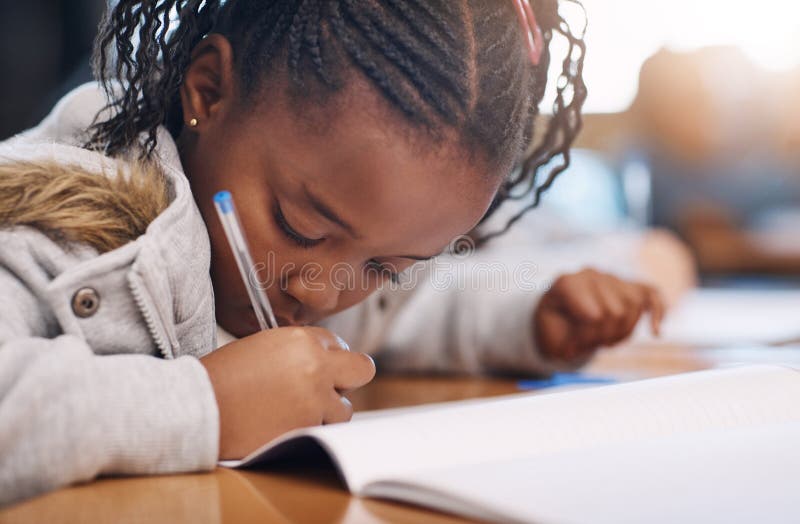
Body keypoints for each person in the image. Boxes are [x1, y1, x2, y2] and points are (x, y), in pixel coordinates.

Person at [0, 0, 661, 505]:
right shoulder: (56, 225)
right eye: (301, 227)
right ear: (208, 92)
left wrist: (531, 316)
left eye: (384, 265)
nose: (325, 292)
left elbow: (412, 307)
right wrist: (206, 405)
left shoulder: (330, 265)